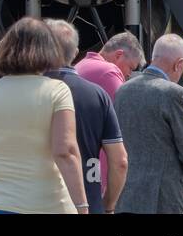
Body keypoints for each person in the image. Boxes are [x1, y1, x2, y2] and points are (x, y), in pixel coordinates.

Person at [0, 17, 86, 214]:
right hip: (50, 205)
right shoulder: (57, 91)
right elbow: (65, 151)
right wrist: (82, 206)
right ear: (48, 49)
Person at [43, 19, 127, 213]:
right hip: (89, 201)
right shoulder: (98, 95)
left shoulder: (29, 92)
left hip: (38, 200)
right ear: (75, 52)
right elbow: (120, 161)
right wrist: (108, 205)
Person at [113, 33, 183, 214]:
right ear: (179, 64)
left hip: (126, 195)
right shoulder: (175, 93)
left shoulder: (122, 91)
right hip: (164, 198)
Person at [75, 31, 144, 194]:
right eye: (130, 68)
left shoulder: (80, 65)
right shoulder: (109, 72)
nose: (128, 75)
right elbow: (127, 116)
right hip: (98, 173)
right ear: (119, 55)